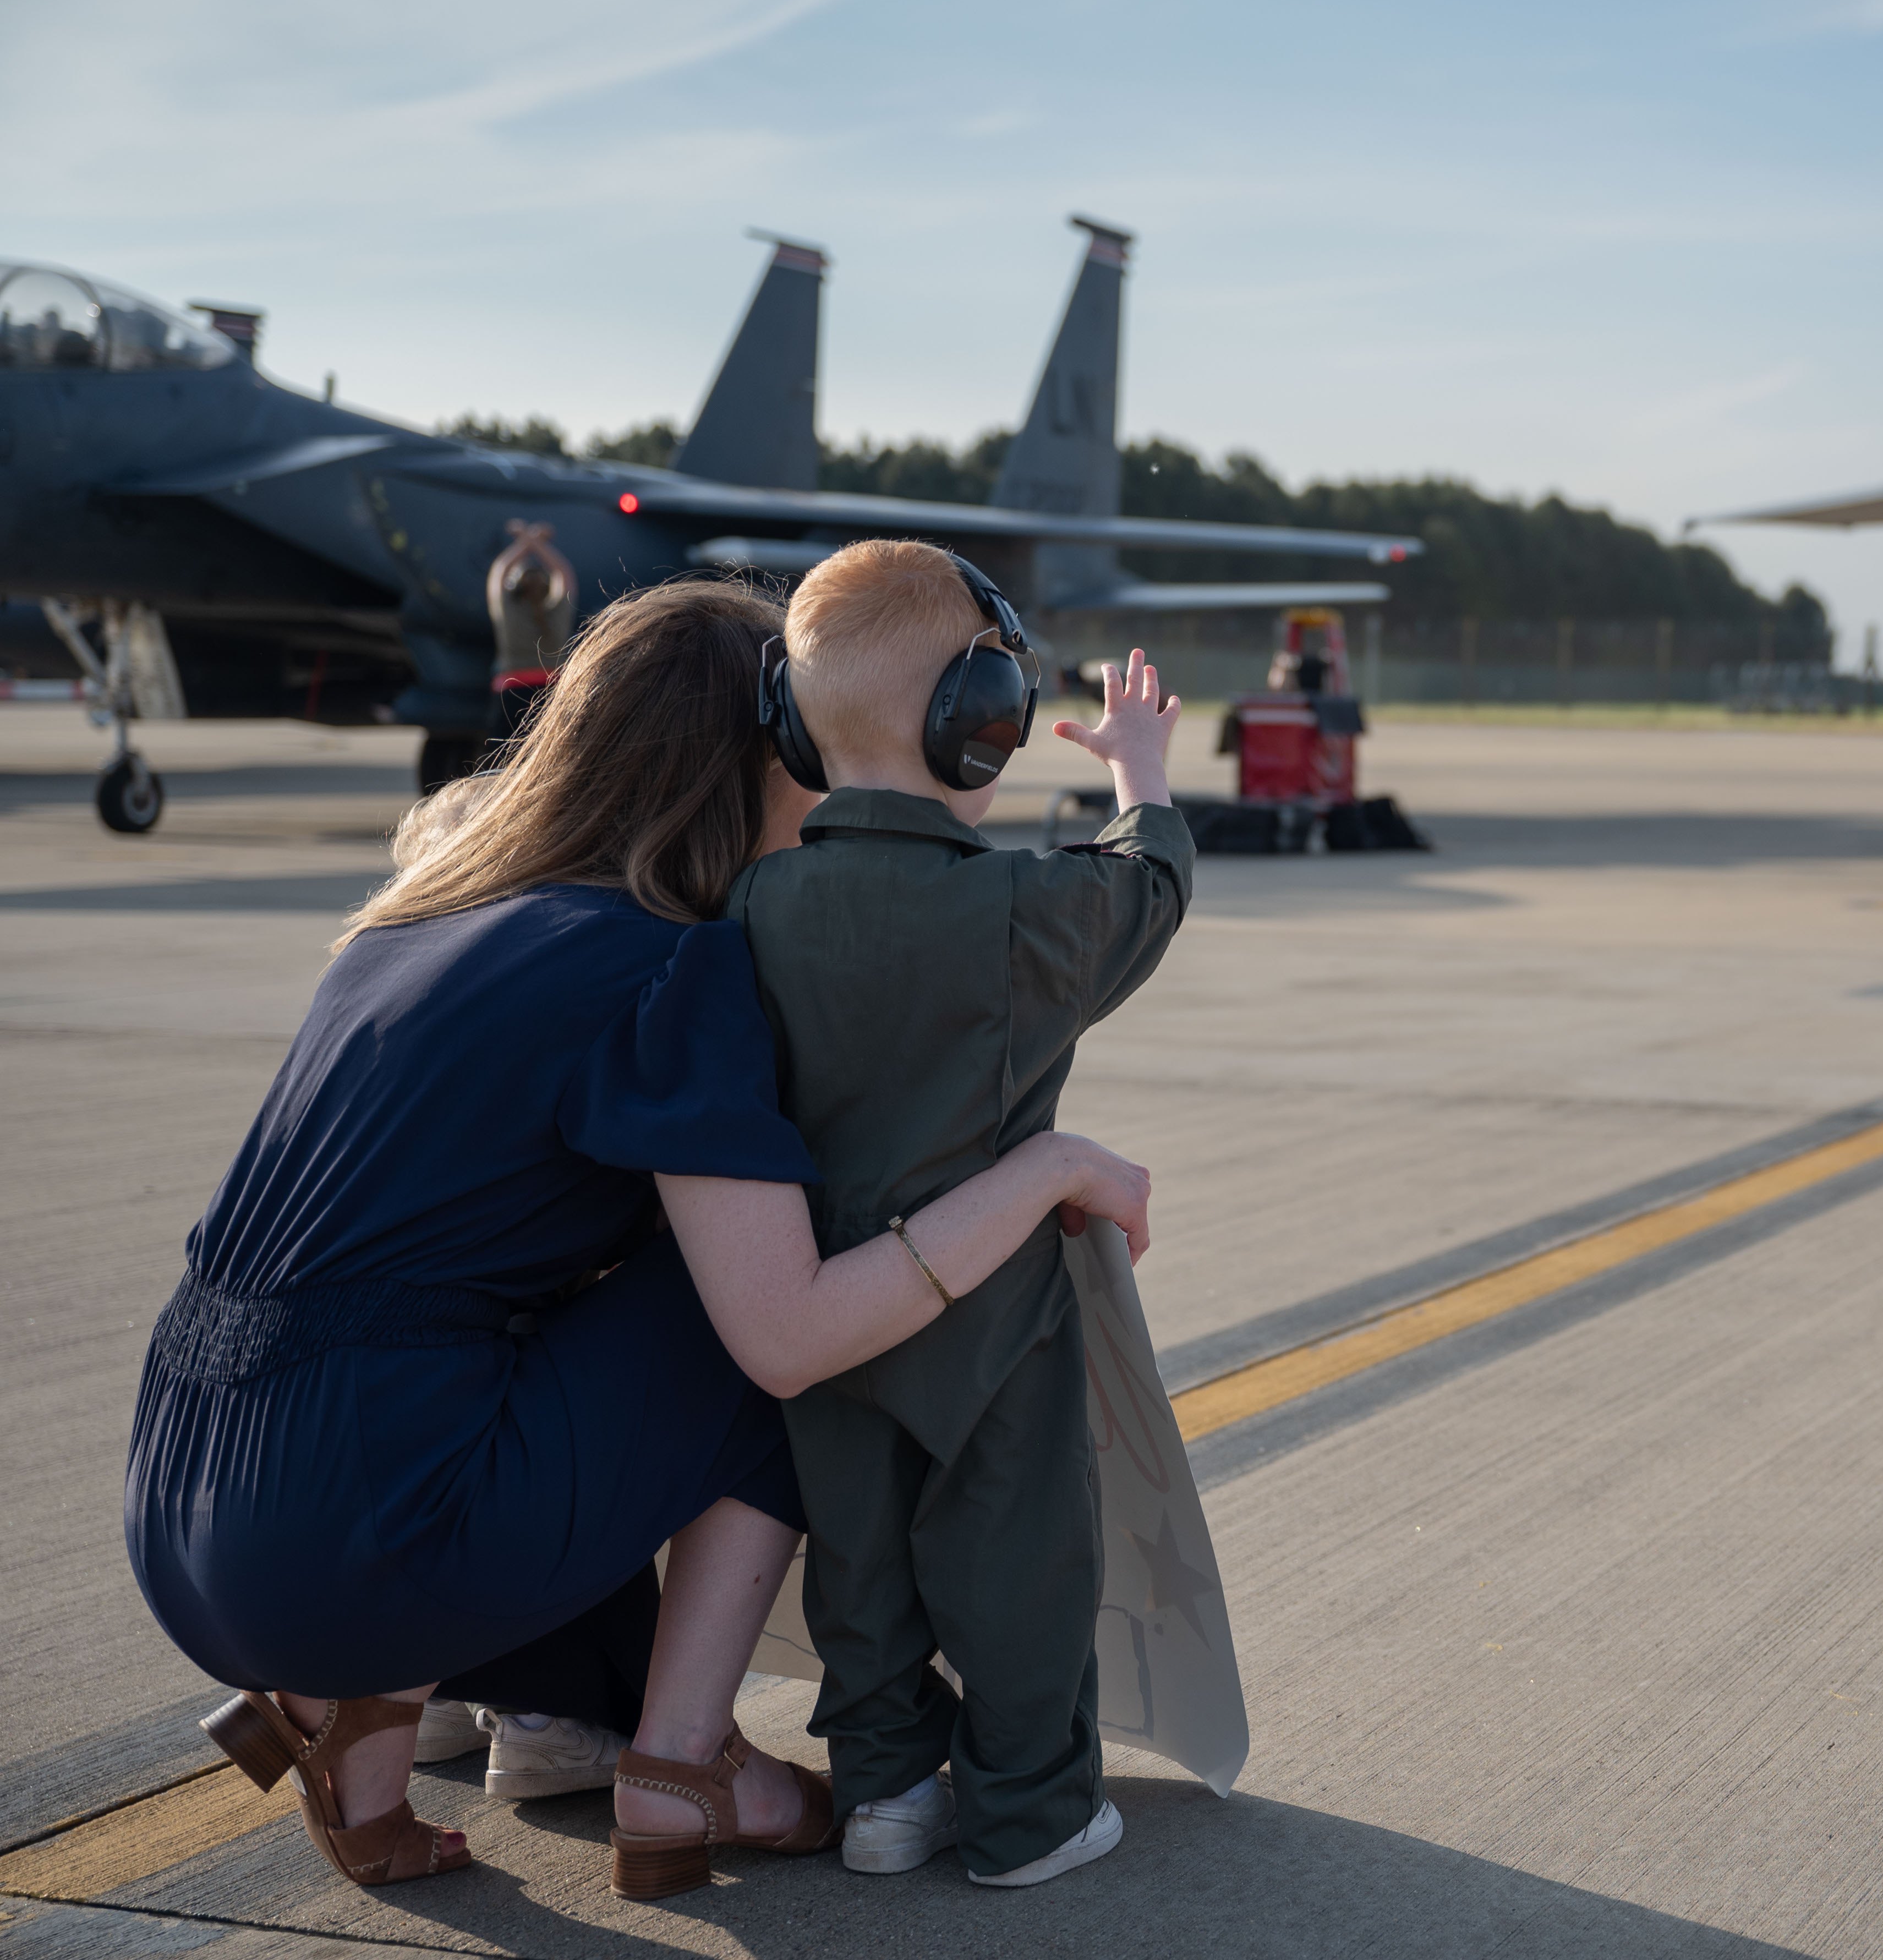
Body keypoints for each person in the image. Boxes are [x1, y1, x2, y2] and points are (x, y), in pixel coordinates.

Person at [126, 579, 1156, 1903]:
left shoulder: (414, 921)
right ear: (774, 755)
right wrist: (1045, 1169)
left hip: (184, 1506)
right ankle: (680, 1764)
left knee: (502, 1314)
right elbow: (786, 1337)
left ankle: (362, 1731)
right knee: (778, 1306)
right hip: (354, 1533)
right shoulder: (672, 964)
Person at [727, 540, 1192, 1888]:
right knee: (1019, 1567)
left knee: (857, 1567)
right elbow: (1150, 887)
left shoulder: (754, 904)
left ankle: (882, 1796)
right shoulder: (1022, 908)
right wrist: (1140, 769)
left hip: (821, 1310)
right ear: (975, 719)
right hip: (991, 1324)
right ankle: (1028, 1812)